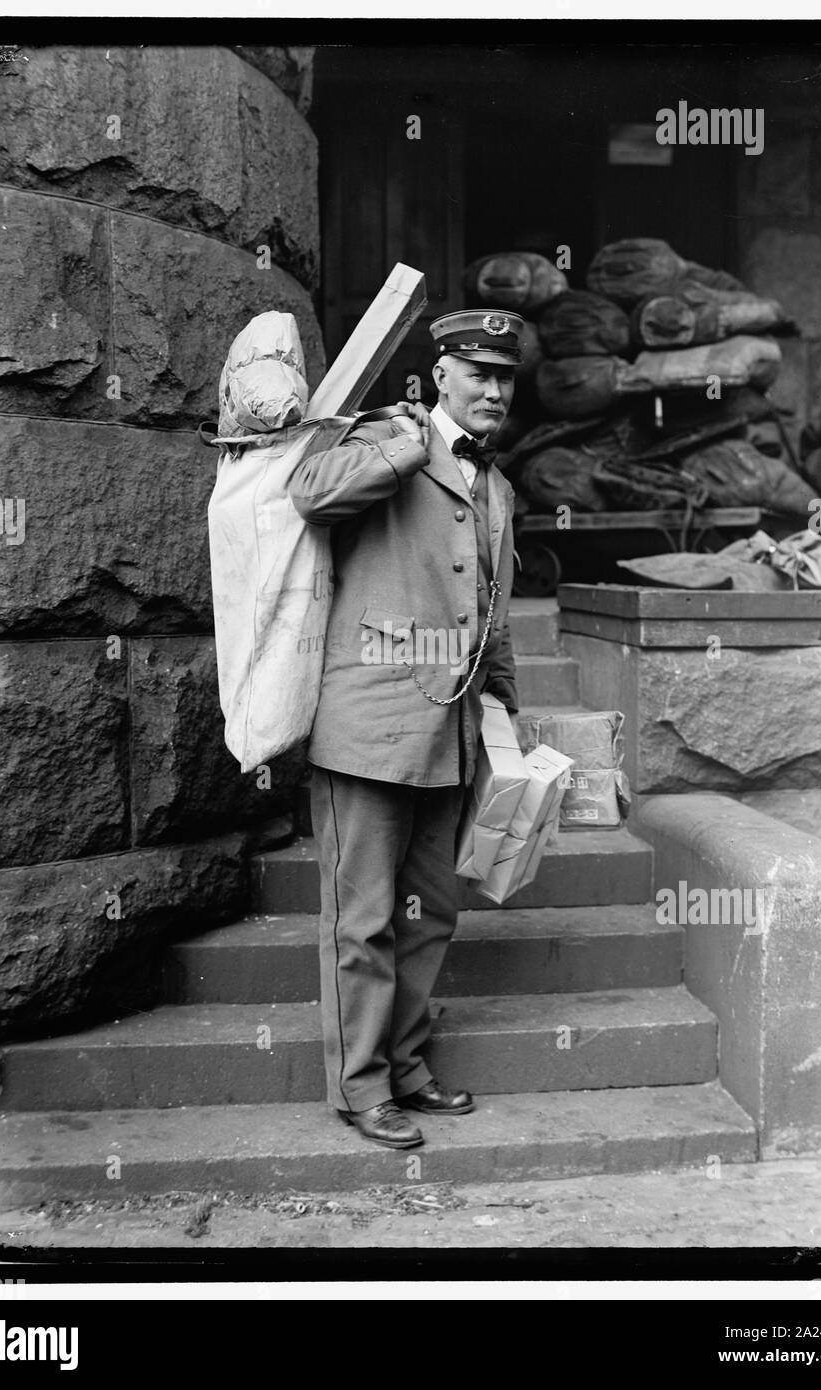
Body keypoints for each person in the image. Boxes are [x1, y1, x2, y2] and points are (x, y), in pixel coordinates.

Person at [288, 310, 523, 1148]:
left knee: (432, 916)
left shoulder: (496, 487)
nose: (493, 391)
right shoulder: (390, 436)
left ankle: (409, 1066)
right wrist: (406, 444)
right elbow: (308, 494)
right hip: (370, 726)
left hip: (450, 736)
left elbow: (491, 617)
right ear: (442, 377)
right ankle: (361, 1088)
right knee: (364, 917)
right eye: (478, 374)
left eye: (504, 377)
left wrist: (507, 714)